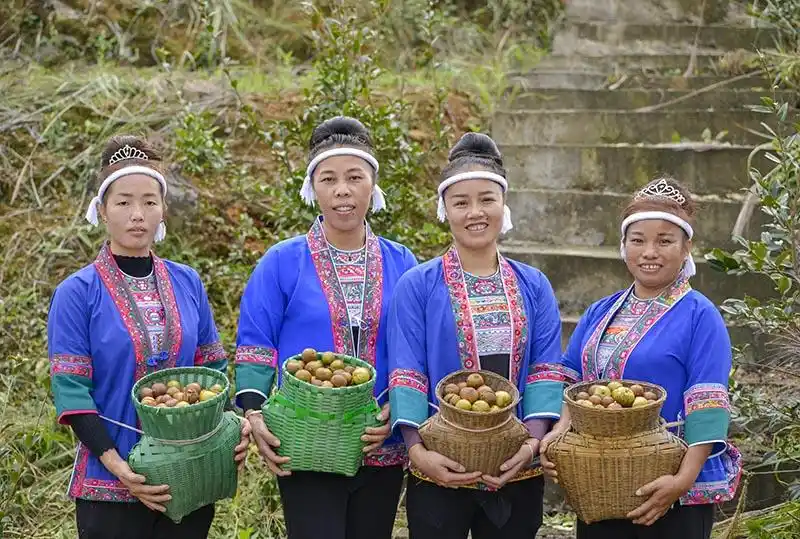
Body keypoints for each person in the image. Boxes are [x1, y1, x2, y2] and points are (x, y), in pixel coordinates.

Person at [47, 135, 250, 539]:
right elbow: (71, 391)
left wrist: (233, 425)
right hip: (111, 484)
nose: (137, 215)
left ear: (163, 211)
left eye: (149, 202)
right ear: (102, 210)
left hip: (190, 475)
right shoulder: (77, 292)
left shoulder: (187, 282)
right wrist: (119, 467)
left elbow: (211, 369)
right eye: (123, 202)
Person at [234, 116, 419, 539]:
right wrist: (254, 413)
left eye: (355, 177)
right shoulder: (282, 262)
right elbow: (255, 345)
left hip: (380, 441)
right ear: (312, 188)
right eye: (328, 179)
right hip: (306, 441)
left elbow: (415, 348)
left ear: (373, 185)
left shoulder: (403, 262)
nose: (342, 190)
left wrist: (400, 409)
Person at [386, 132, 570, 539]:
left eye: (487, 199)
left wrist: (531, 445)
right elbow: (406, 371)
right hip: (438, 465)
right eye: (461, 202)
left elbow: (545, 370)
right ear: (444, 210)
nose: (475, 212)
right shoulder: (418, 285)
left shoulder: (534, 285)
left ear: (504, 205)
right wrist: (417, 451)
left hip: (517, 466)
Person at [540, 176, 743, 538]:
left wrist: (681, 480)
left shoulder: (699, 316)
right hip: (599, 481)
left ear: (686, 247)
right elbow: (572, 380)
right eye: (638, 240)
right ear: (624, 246)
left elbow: (708, 401)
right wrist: (557, 435)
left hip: (669, 486)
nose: (649, 252)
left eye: (664, 241)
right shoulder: (600, 311)